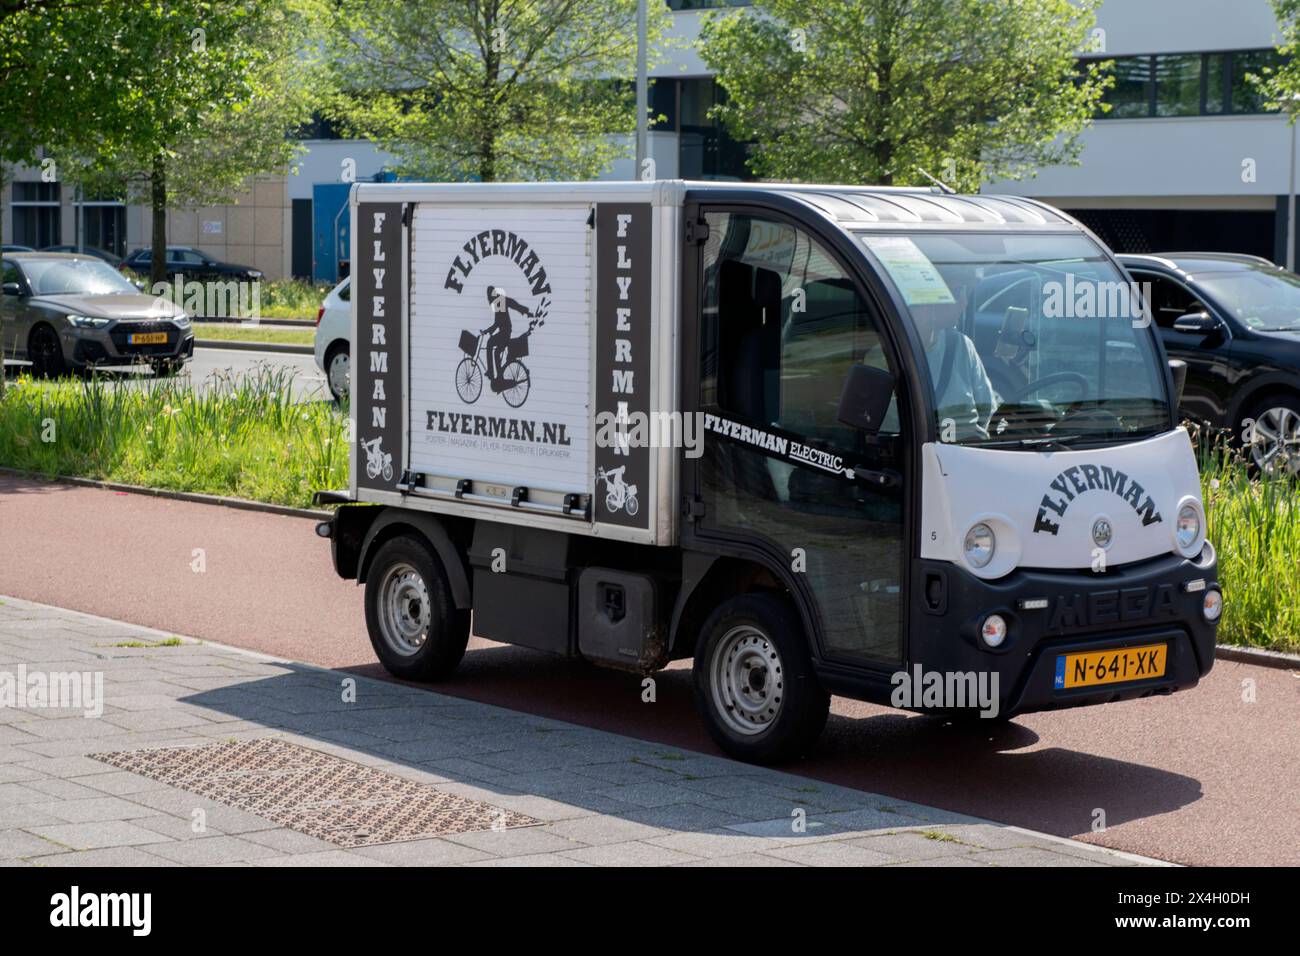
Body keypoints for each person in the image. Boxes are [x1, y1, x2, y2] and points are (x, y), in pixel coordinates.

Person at [911, 298, 999, 441]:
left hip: (968, 452)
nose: (964, 302)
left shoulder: (962, 345)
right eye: (956, 292)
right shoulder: (886, 356)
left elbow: (987, 409)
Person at [482, 285, 531, 381]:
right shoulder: (500, 301)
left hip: (504, 333)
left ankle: (491, 372)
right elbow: (513, 304)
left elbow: (498, 322)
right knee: (496, 352)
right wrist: (525, 311)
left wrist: (488, 330)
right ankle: (499, 376)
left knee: (489, 343)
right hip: (505, 332)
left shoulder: (499, 302)